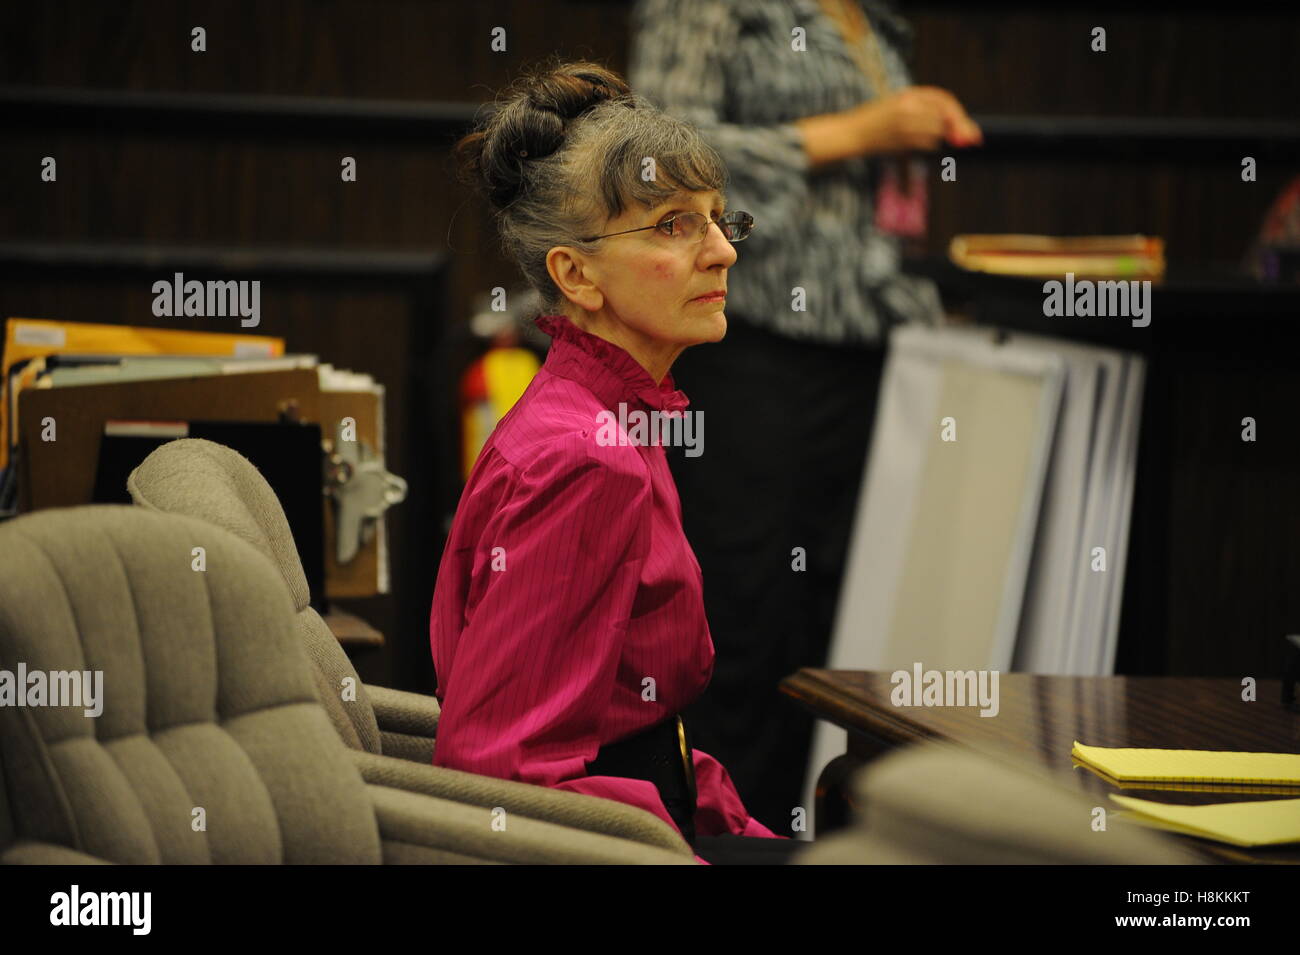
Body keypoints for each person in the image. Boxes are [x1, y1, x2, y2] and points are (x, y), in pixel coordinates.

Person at [431, 58, 808, 864]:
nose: (722, 252)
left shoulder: (611, 417)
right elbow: (500, 774)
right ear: (576, 274)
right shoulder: (586, 461)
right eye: (674, 225)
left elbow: (640, 730)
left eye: (719, 220)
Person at [628, 0, 982, 833]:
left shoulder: (876, 15)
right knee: (746, 621)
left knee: (833, 626)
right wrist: (860, 131)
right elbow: (655, 157)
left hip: (868, 350)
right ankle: (718, 840)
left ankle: (799, 839)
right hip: (753, 344)